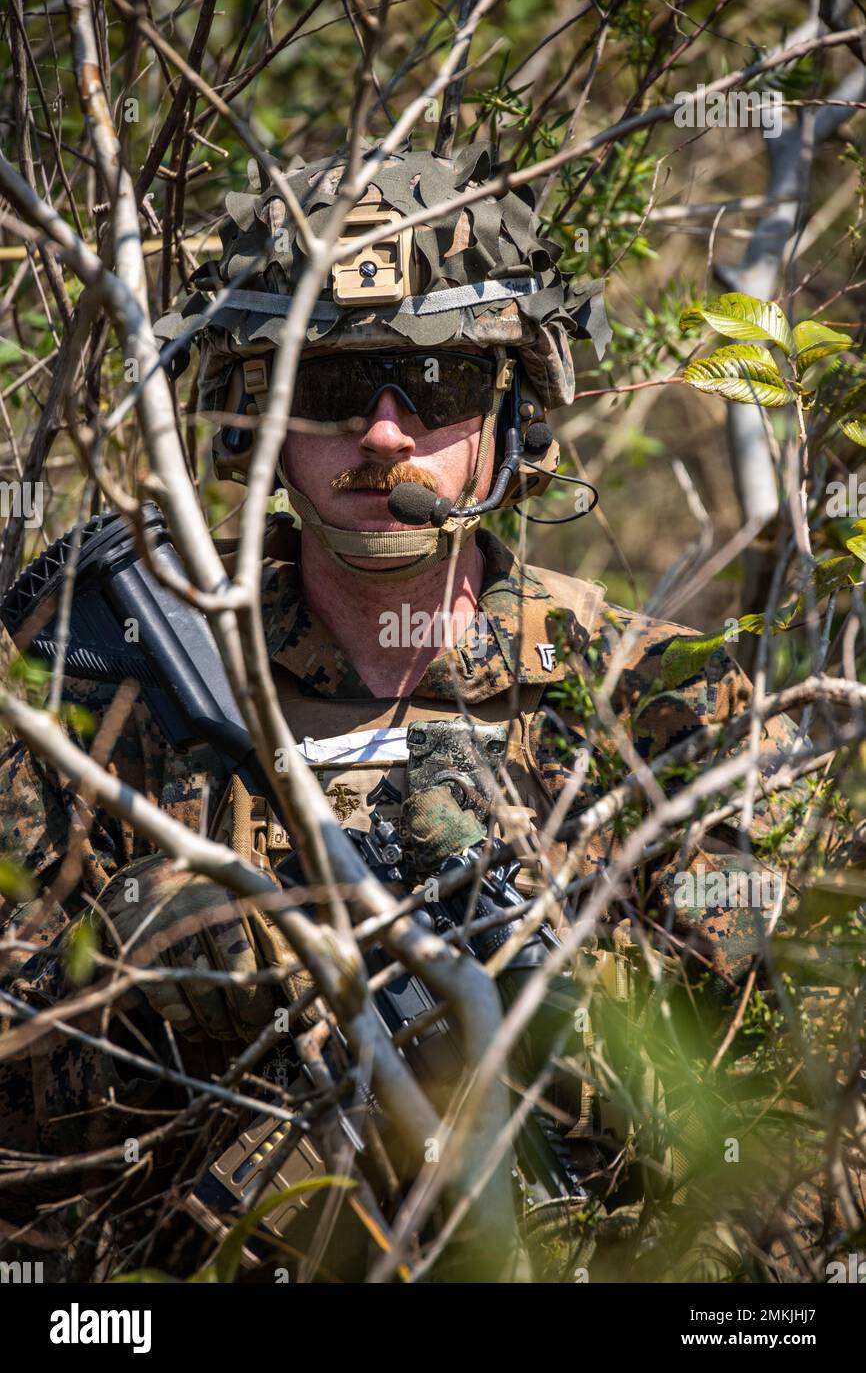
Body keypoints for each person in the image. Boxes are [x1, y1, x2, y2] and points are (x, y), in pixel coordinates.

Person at [0, 143, 805, 1280]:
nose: (383, 436)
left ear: (509, 415)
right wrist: (150, 965)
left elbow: (800, 1113)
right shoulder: (114, 676)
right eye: (331, 388)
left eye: (434, 389)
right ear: (257, 417)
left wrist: (558, 969)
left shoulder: (660, 703)